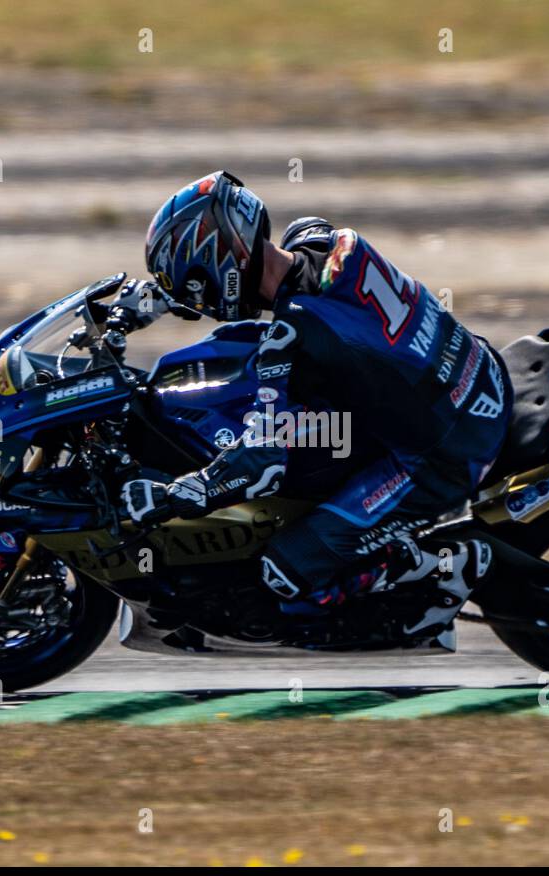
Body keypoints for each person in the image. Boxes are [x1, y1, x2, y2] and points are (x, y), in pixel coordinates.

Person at [115, 171, 510, 648]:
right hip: (475, 372)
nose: (200, 305)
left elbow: (261, 465)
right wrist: (156, 302)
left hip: (445, 451)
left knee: (284, 573)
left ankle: (440, 572)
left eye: (194, 285)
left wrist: (175, 496)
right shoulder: (320, 239)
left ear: (222, 264)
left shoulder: (292, 332)